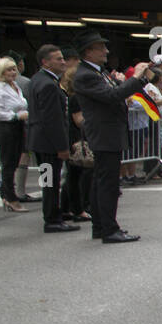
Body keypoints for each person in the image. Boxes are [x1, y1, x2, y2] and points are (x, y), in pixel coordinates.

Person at [73, 32, 162, 242]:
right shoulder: (86, 74)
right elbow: (112, 96)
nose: (106, 51)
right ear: (88, 51)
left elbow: (116, 93)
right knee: (107, 183)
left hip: (108, 132)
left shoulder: (99, 72)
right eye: (100, 47)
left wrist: (133, 81)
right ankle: (108, 229)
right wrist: (135, 78)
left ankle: (101, 226)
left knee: (102, 181)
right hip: (104, 133)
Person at [25, 44, 78, 232]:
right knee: (50, 182)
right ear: (45, 62)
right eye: (58, 59)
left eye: (62, 58)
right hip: (48, 144)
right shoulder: (47, 84)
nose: (63, 62)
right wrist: (62, 146)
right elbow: (52, 120)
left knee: (48, 181)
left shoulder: (38, 80)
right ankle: (52, 219)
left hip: (41, 141)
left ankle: (53, 213)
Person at [61, 58, 92, 223]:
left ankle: (67, 207)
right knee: (75, 176)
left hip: (73, 139)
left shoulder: (74, 97)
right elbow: (79, 120)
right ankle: (77, 209)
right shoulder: (75, 98)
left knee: (73, 176)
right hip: (75, 140)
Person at [0, 57, 31, 213]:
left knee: (15, 160)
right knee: (8, 163)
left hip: (18, 126)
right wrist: (15, 116)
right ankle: (10, 197)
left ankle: (8, 195)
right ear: (1, 72)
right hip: (6, 127)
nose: (13, 72)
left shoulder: (15, 86)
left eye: (14, 69)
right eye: (9, 69)